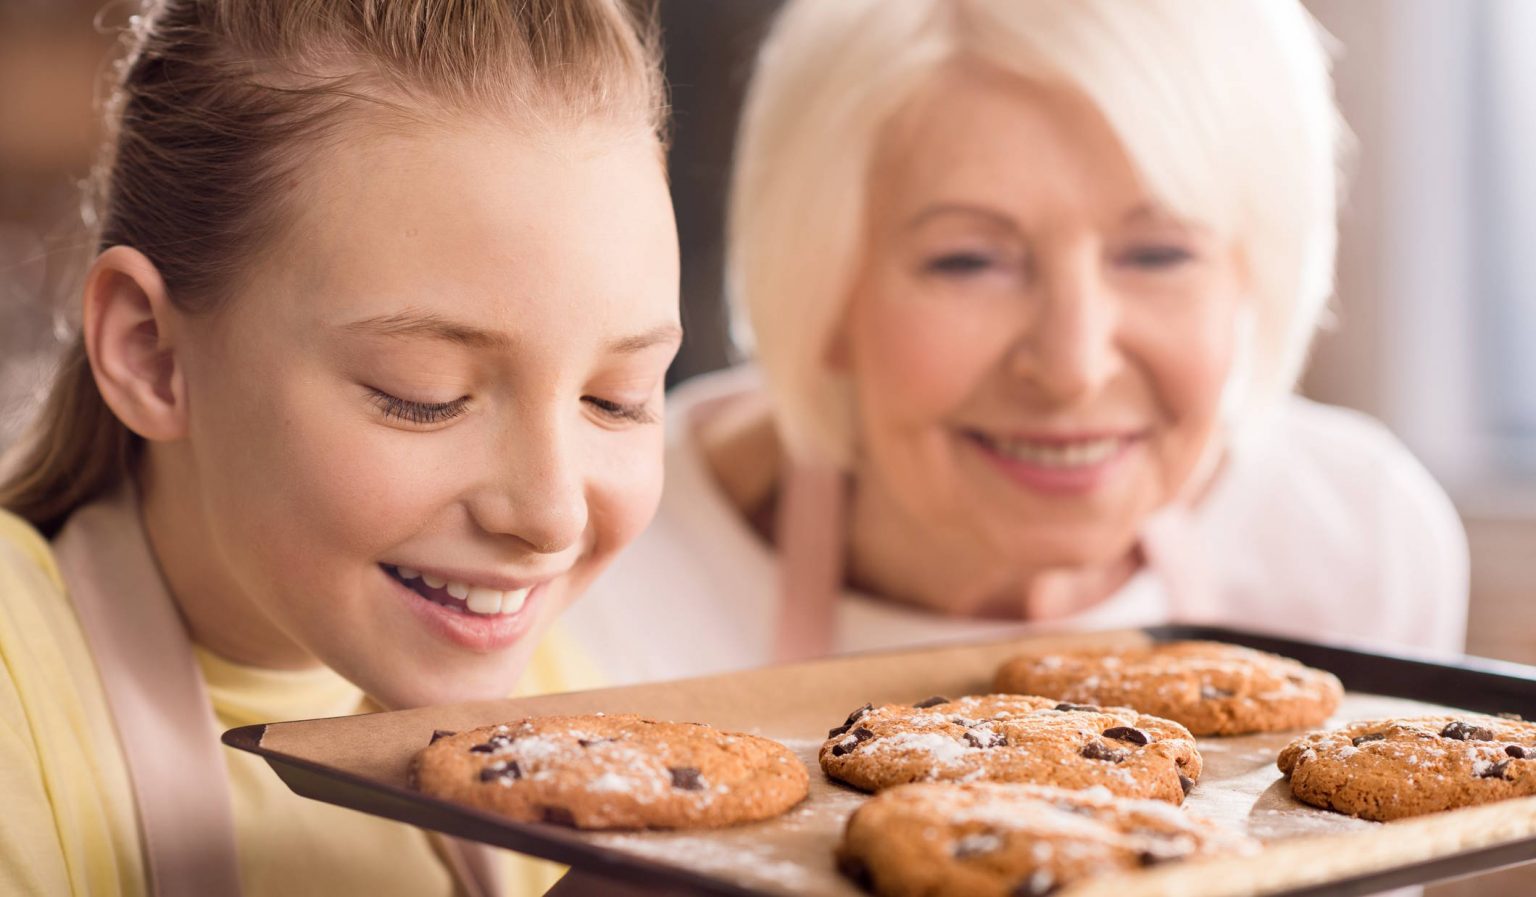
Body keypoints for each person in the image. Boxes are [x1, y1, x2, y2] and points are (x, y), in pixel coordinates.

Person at [567, 0, 1469, 685]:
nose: (1073, 365)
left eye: (1157, 253)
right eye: (968, 261)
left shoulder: (1361, 546)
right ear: (824, 284)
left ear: (1254, 275)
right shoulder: (603, 571)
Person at [0, 1, 680, 894]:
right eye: (423, 396)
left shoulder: (553, 693)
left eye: (615, 401)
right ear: (153, 355)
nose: (550, 514)